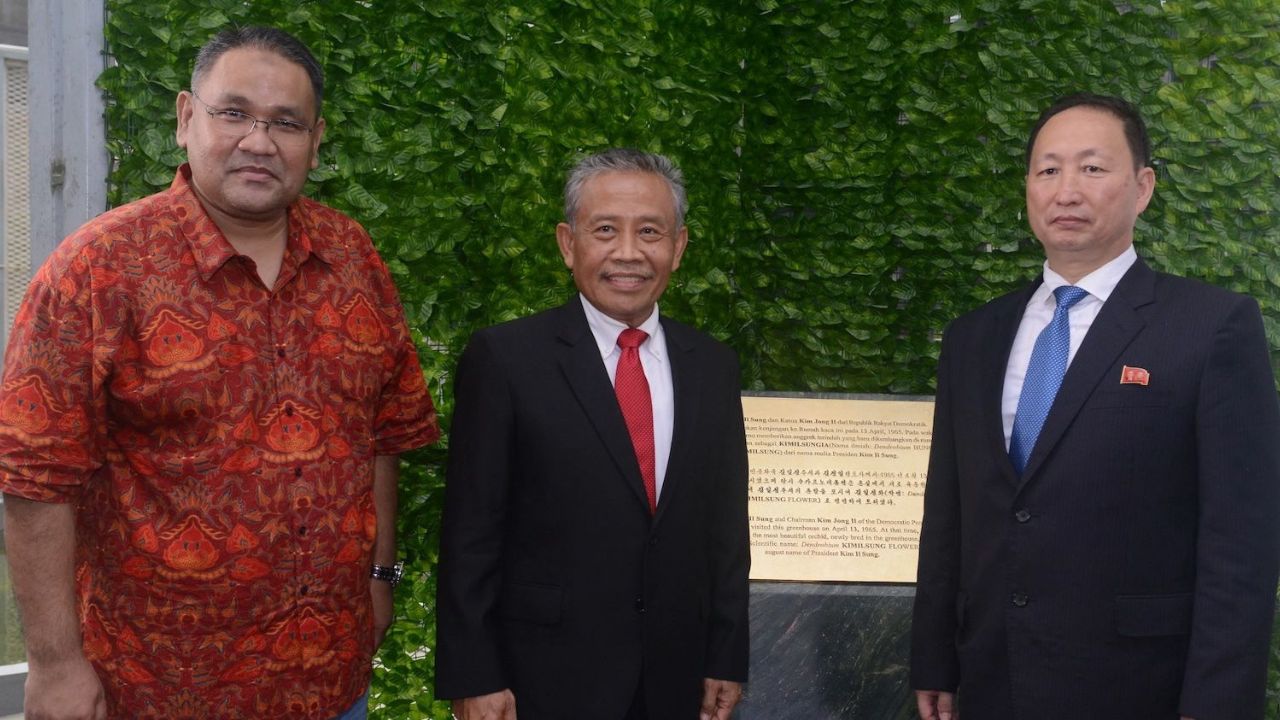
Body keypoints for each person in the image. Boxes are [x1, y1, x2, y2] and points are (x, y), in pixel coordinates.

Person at [0, 26, 439, 720]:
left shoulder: (353, 256)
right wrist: (55, 663)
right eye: (233, 112)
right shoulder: (97, 271)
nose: (259, 141)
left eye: (286, 123)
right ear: (185, 118)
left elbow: (381, 434)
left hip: (331, 681)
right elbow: (33, 479)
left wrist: (379, 575)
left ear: (316, 142)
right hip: (159, 688)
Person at [910, 92, 1280, 720]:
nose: (1067, 190)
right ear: (1027, 187)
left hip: (1139, 685)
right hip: (993, 677)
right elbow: (950, 512)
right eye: (1048, 170)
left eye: (1092, 168)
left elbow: (1242, 539)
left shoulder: (1210, 326)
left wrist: (1216, 702)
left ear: (1142, 188)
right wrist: (935, 657)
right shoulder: (974, 337)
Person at [434, 148, 750, 720]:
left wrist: (726, 655)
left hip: (676, 677)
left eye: (649, 231)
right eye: (605, 229)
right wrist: (473, 674)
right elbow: (471, 534)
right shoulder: (506, 359)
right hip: (544, 678)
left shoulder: (712, 364)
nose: (628, 253)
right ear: (567, 243)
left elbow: (726, 529)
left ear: (677, 248)